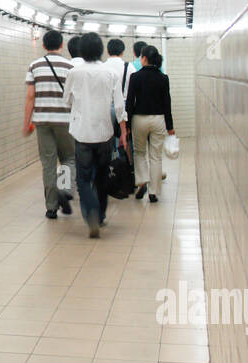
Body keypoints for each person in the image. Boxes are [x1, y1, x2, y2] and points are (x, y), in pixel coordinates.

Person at [64, 31, 128, 238]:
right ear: (101, 50)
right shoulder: (111, 74)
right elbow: (119, 106)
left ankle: (90, 212)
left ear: (82, 50)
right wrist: (124, 132)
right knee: (101, 176)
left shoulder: (74, 73)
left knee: (83, 178)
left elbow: (67, 101)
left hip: (82, 133)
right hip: (104, 133)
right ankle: (100, 216)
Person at [23, 30, 75, 218]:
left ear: (44, 45)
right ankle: (64, 189)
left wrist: (26, 122)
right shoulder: (70, 66)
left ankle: (51, 207)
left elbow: (30, 97)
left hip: (42, 121)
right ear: (61, 45)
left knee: (48, 163)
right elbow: (73, 96)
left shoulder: (34, 66)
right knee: (69, 158)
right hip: (65, 120)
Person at [126, 45, 174, 203]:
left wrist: (127, 125)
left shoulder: (135, 77)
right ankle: (153, 192)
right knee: (156, 157)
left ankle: (142, 182)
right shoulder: (163, 78)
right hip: (158, 119)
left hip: (139, 119)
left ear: (144, 58)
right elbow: (167, 103)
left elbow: (129, 103)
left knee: (139, 153)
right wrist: (170, 126)